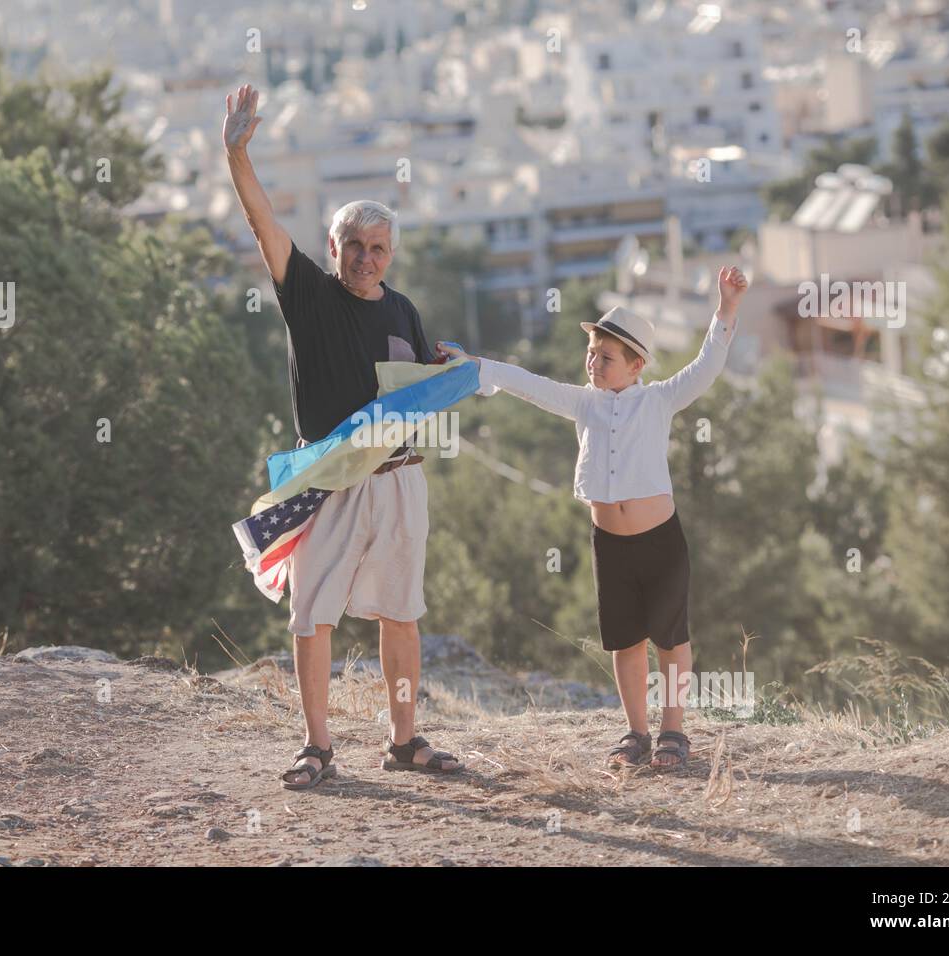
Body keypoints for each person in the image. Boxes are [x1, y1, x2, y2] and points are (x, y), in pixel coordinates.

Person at [223, 83, 464, 789]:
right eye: (354, 245)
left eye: (378, 248)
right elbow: (260, 218)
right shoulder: (308, 294)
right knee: (310, 616)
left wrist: (443, 369)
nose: (366, 257)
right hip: (331, 481)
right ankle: (317, 747)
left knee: (402, 617)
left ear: (391, 253)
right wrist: (236, 151)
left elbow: (415, 388)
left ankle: (405, 740)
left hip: (399, 480)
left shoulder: (404, 308)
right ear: (334, 248)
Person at [437, 266, 749, 769]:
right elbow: (527, 383)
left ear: (636, 365)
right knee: (625, 642)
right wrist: (477, 366)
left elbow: (706, 365)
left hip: (660, 542)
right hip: (611, 545)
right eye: (591, 352)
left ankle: (674, 731)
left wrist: (727, 309)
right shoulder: (584, 403)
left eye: (605, 356)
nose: (592, 361)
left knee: (671, 640)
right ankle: (636, 733)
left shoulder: (659, 399)